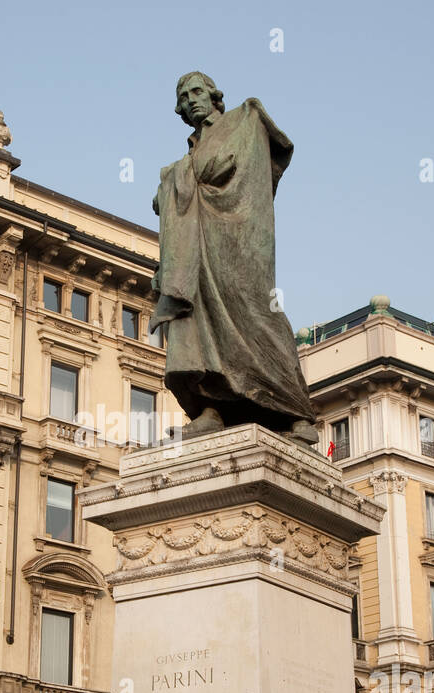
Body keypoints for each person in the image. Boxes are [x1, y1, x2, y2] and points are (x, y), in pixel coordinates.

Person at [150, 71, 318, 445]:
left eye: (197, 91)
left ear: (213, 96)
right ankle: (211, 408)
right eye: (184, 96)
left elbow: (249, 174)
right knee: (195, 320)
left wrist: (177, 180)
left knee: (256, 313)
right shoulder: (191, 152)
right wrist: (175, 182)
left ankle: (296, 412)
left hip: (238, 239)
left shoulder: (244, 120)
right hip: (197, 247)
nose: (191, 99)